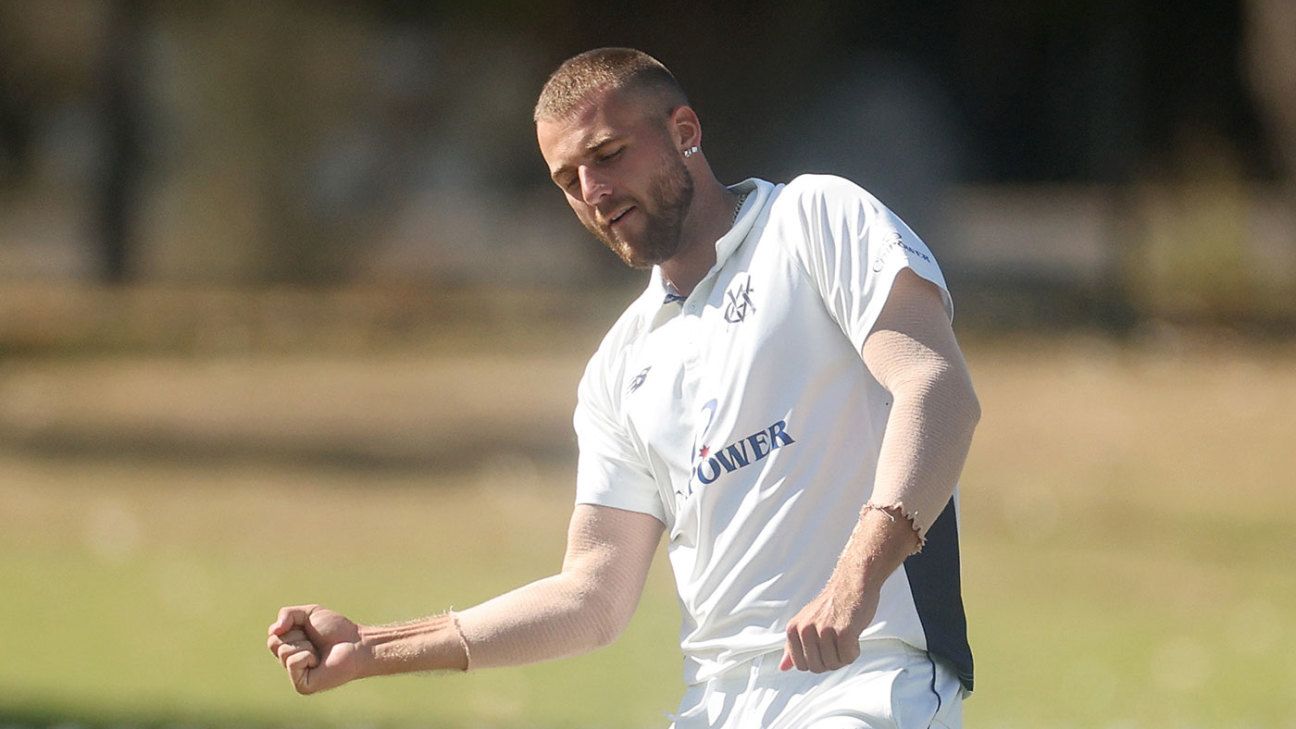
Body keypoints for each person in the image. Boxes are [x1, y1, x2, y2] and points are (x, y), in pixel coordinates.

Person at [267, 47, 980, 728]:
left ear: (685, 131)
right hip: (716, 702)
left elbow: (937, 388)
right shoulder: (620, 363)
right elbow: (592, 594)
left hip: (868, 683)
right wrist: (373, 648)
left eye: (608, 156)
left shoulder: (813, 219)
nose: (594, 193)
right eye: (568, 178)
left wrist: (855, 581)